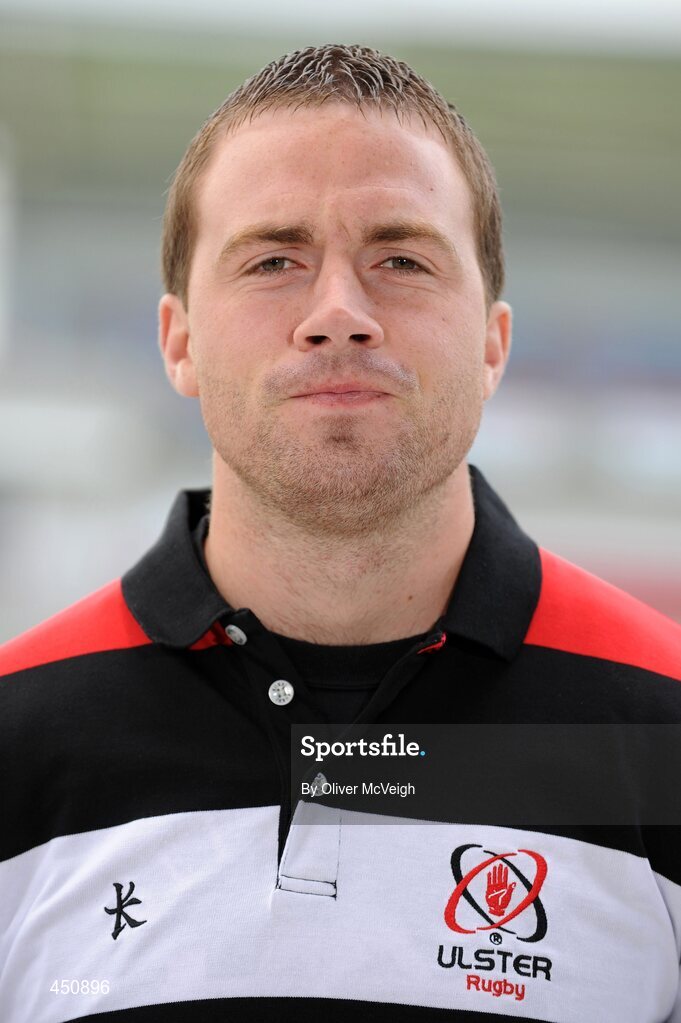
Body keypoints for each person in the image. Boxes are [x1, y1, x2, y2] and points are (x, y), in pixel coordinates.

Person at [0, 43, 680, 1023]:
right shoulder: (19, 741)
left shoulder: (665, 729)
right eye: (274, 259)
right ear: (178, 339)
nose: (338, 314)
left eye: (400, 258)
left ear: (492, 344)